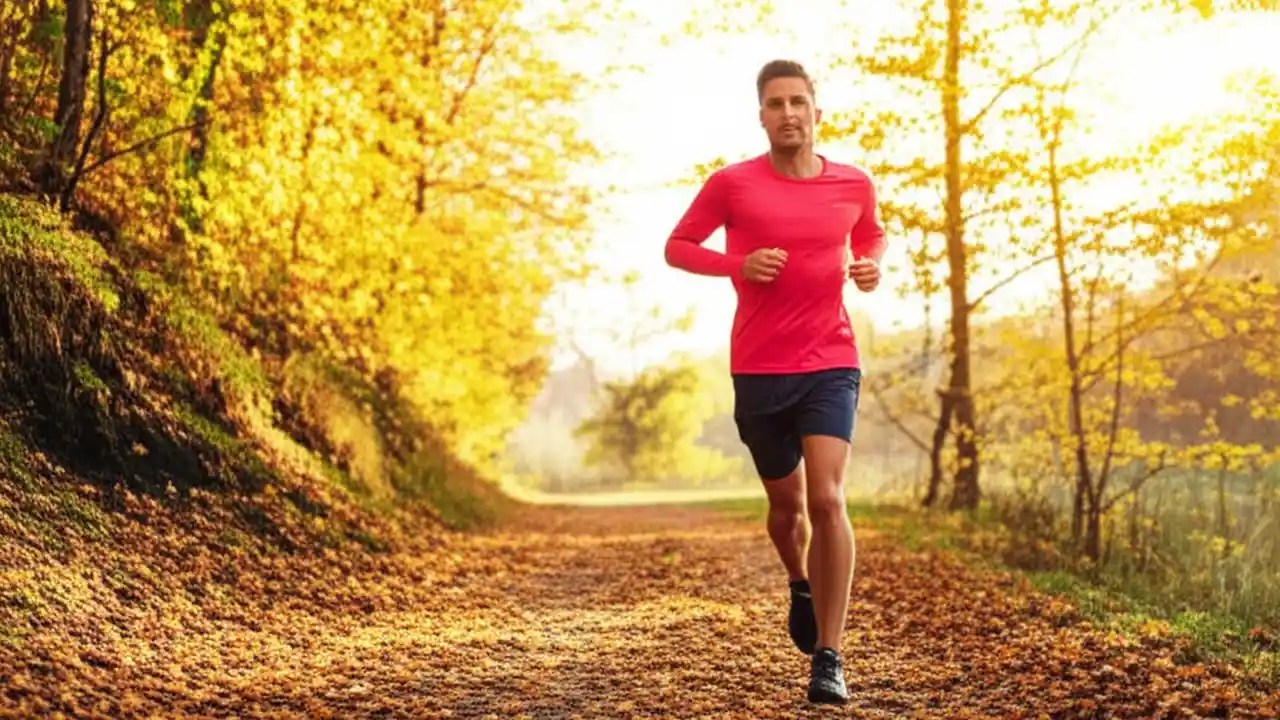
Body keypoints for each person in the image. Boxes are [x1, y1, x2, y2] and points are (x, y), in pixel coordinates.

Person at [662, 59, 886, 705]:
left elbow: (870, 235)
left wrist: (869, 266)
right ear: (761, 116)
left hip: (831, 360)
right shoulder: (732, 185)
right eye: (775, 104)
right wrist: (738, 263)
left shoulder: (853, 182)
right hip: (759, 367)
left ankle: (830, 658)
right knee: (788, 513)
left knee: (828, 501)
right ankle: (799, 580)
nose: (788, 113)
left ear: (817, 111)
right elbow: (677, 246)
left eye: (798, 101)